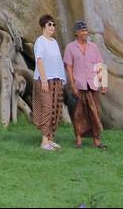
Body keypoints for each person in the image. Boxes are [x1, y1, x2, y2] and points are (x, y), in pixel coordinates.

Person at [64, 20, 107, 149]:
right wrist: (72, 85)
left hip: (92, 85)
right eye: (82, 31)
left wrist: (103, 84)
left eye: (86, 31)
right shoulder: (70, 47)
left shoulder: (93, 47)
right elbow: (69, 67)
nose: (85, 33)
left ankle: (97, 140)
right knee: (78, 114)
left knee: (95, 113)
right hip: (79, 85)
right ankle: (78, 139)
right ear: (76, 33)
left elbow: (100, 65)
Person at [32, 13, 66, 151]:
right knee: (46, 108)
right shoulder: (40, 41)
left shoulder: (54, 42)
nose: (52, 27)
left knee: (55, 109)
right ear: (43, 26)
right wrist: (44, 80)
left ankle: (50, 138)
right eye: (49, 24)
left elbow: (58, 62)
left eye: (53, 25)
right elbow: (39, 60)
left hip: (56, 80)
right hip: (43, 80)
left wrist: (61, 79)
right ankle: (44, 141)